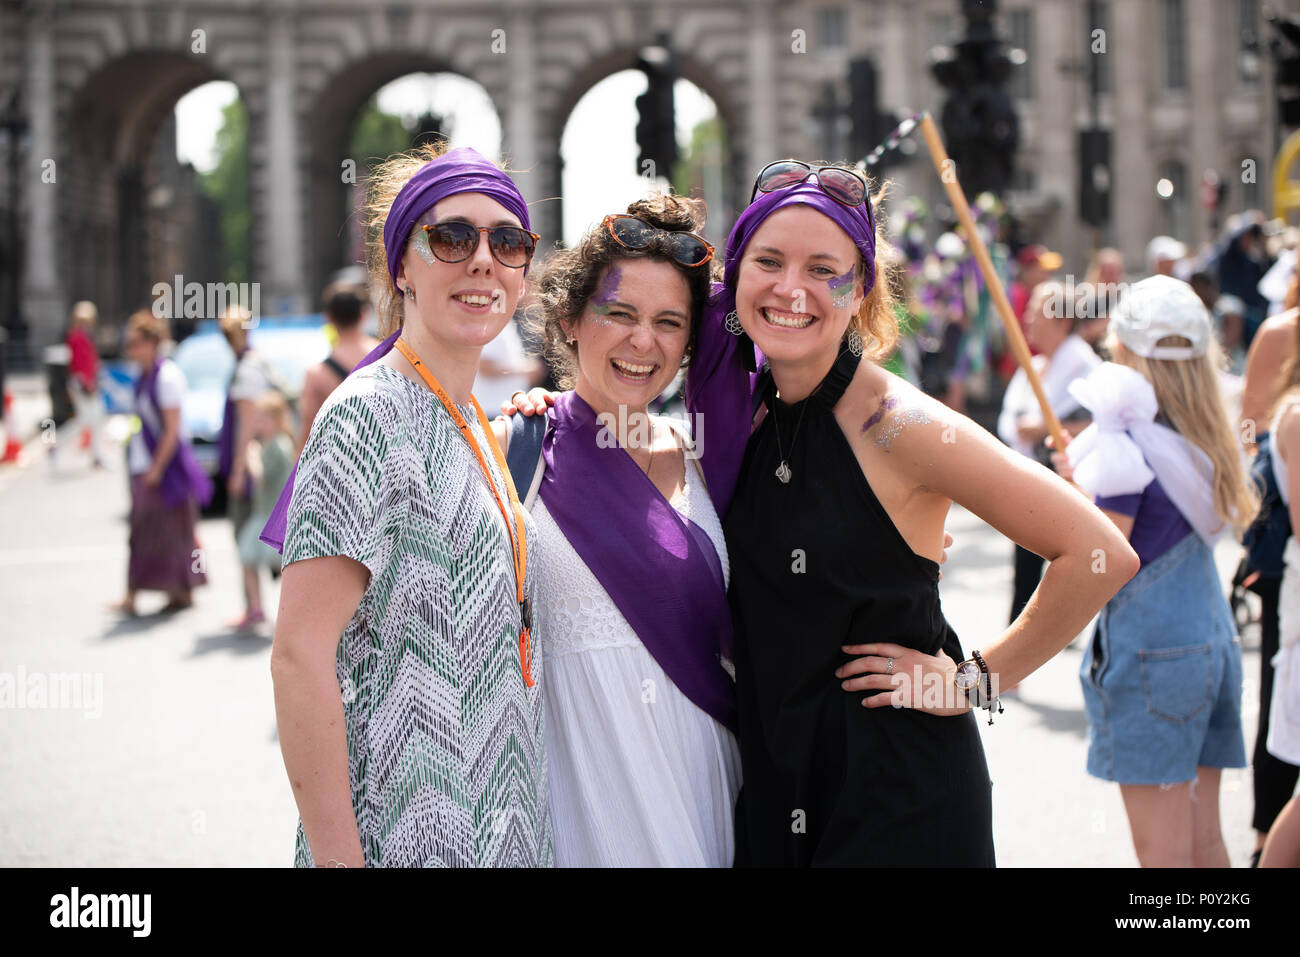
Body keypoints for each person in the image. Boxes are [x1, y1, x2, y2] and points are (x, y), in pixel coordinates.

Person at [688, 160, 1138, 866]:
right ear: (737, 275)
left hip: (897, 797)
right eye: (768, 262)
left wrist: (976, 680)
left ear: (861, 285)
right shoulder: (736, 409)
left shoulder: (899, 422)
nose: (791, 288)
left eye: (823, 268)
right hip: (776, 784)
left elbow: (1099, 550)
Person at [263, 144, 551, 867]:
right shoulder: (365, 416)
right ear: (401, 266)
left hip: (505, 833)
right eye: (451, 237)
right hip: (402, 840)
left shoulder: (475, 422)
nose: (483, 260)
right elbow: (300, 657)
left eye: (507, 241)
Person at [1062, 275, 1256, 867]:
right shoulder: (1211, 440)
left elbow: (1099, 558)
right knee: (1205, 842)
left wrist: (1069, 505)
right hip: (1211, 644)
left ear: (1124, 352)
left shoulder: (1124, 444)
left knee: (1165, 862)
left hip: (1154, 660)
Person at [997, 280, 1100, 624]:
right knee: (1025, 565)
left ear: (1060, 320)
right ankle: (1013, 647)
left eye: (1035, 311)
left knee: (1065, 564)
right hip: (1031, 478)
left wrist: (1044, 427)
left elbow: (1101, 422)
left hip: (1069, 480)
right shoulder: (1037, 366)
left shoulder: (1085, 366)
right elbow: (1013, 420)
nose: (1026, 318)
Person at [111, 310, 212, 616]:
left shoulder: (166, 376)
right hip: (147, 463)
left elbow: (172, 429)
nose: (131, 350)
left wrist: (156, 468)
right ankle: (145, 591)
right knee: (148, 530)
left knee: (172, 529)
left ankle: (178, 588)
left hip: (166, 468)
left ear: (153, 343)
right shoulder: (144, 376)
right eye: (129, 344)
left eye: (137, 343)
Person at [218, 306, 278, 629]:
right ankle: (256, 605)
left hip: (252, 465)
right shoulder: (257, 363)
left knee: (244, 535)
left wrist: (238, 470)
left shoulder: (246, 369)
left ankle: (253, 606)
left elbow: (245, 424)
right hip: (263, 463)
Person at [232, 392, 295, 630]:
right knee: (247, 556)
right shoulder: (272, 443)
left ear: (278, 419)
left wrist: (252, 457)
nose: (259, 424)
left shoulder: (277, 445)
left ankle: (286, 612)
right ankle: (257, 607)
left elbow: (260, 477)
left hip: (273, 517)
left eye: (264, 418)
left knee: (281, 565)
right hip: (263, 514)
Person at [296, 284, 378, 452]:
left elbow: (307, 429)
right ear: (364, 314)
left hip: (340, 463)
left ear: (328, 318)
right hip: (384, 460)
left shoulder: (317, 375)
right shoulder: (387, 357)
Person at [64, 300, 108, 468]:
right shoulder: (77, 337)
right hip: (83, 383)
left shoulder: (84, 337)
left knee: (95, 419)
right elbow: (79, 363)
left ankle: (97, 456)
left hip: (88, 381)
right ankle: (54, 443)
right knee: (87, 420)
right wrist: (88, 382)